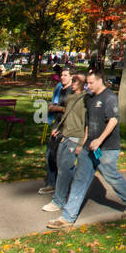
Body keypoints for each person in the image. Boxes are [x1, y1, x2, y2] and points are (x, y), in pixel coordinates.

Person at [47, 69, 126, 229]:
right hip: (88, 146)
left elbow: (113, 121)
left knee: (111, 176)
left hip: (107, 148)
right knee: (79, 180)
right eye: (87, 83)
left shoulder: (109, 97)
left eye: (90, 83)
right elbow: (87, 124)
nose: (88, 86)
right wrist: (83, 143)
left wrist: (99, 140)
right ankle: (67, 218)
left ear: (100, 81)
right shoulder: (90, 99)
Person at [42, 74, 88, 215]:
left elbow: (87, 123)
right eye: (72, 80)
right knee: (62, 167)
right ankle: (65, 191)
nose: (73, 83)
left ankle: (58, 200)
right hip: (65, 134)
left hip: (75, 138)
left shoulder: (86, 100)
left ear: (83, 83)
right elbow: (67, 116)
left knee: (64, 169)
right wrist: (58, 128)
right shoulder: (71, 97)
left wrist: (81, 143)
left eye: (76, 81)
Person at [38, 68, 74, 194]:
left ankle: (64, 185)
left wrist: (56, 108)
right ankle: (51, 183)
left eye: (65, 75)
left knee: (60, 158)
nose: (62, 77)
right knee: (50, 155)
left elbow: (71, 110)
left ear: (71, 77)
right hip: (57, 125)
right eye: (61, 75)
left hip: (65, 128)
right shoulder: (60, 89)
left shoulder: (72, 92)